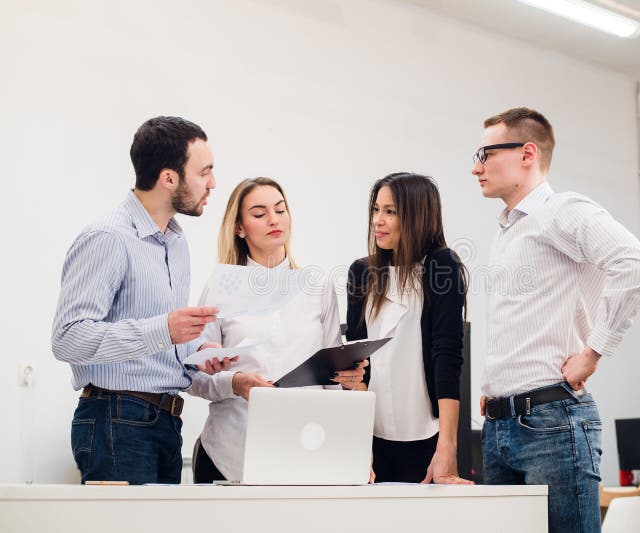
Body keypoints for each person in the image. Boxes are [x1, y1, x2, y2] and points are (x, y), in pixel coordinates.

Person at [472, 107, 640, 533]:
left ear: (527, 153)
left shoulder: (561, 210)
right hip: (499, 427)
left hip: (550, 424)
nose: (476, 167)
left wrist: (594, 352)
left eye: (485, 154)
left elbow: (636, 264)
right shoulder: (507, 231)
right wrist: (498, 385)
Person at [52, 116, 232, 485]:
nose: (212, 183)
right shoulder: (108, 237)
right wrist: (164, 329)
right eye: (204, 172)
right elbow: (68, 338)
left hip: (166, 420)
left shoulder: (176, 241)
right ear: (169, 178)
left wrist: (197, 352)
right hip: (117, 419)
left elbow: (159, 336)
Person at [188, 177, 366, 483]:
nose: (274, 220)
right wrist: (235, 383)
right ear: (239, 227)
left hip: (304, 454)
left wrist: (348, 380)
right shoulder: (219, 288)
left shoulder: (317, 287)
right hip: (231, 453)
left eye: (280, 210)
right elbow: (194, 377)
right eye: (259, 214)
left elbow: (331, 379)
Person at [346, 172, 473, 485]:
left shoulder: (441, 264)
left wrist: (448, 446)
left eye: (390, 211)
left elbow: (447, 353)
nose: (378, 220)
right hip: (372, 438)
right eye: (376, 210)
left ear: (417, 216)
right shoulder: (361, 272)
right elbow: (356, 362)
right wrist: (358, 440)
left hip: (427, 436)